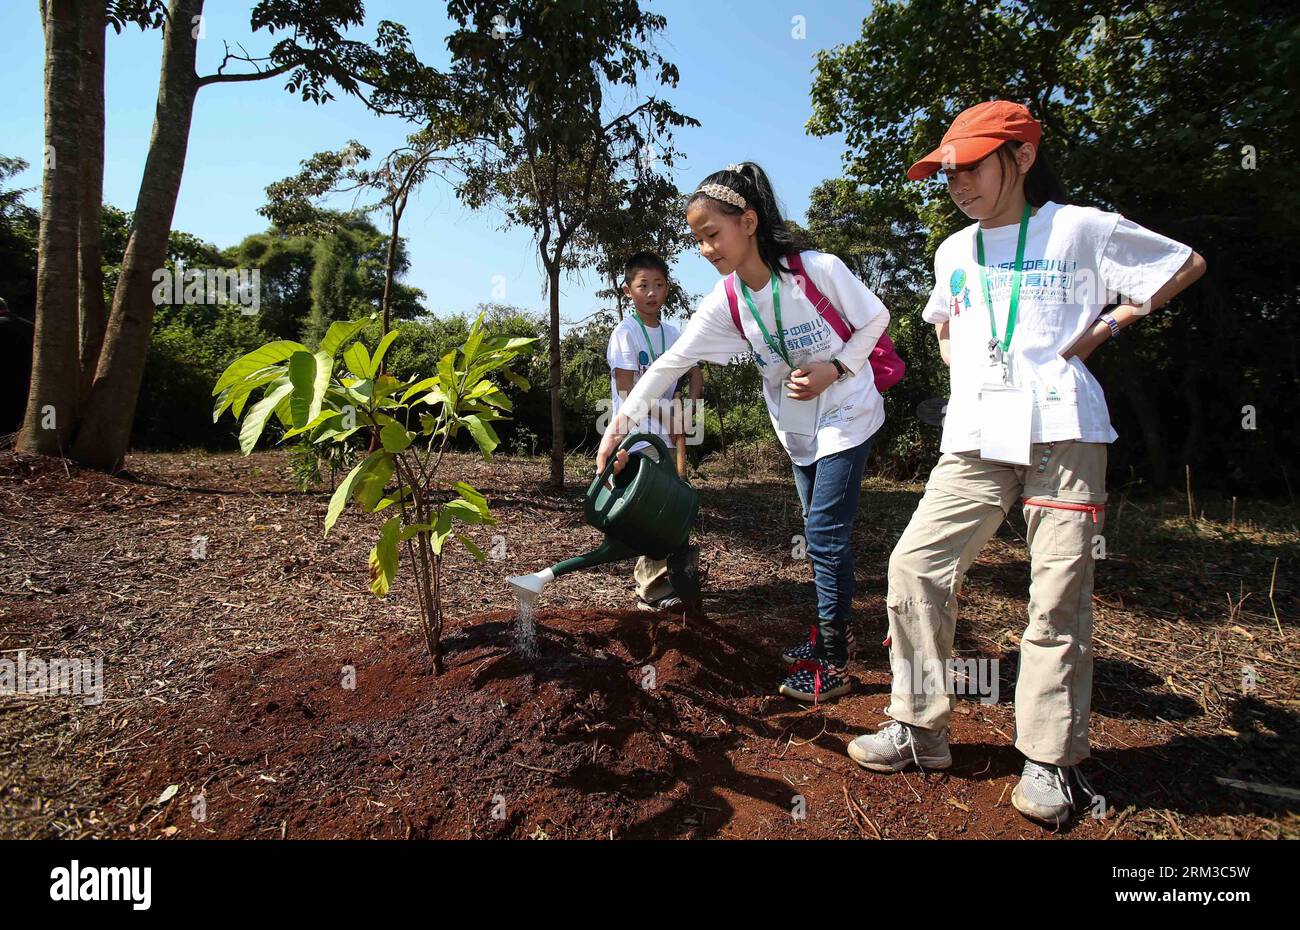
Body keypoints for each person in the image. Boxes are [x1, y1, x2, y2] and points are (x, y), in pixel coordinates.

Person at [846, 100, 1207, 826]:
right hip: (977, 437)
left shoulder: (1078, 227)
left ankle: (1050, 761)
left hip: (1064, 431)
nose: (956, 183)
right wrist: (967, 369)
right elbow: (945, 327)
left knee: (1057, 594)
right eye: (946, 172)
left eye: (971, 166)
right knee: (914, 566)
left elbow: (1184, 263)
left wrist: (1107, 324)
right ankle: (919, 729)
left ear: (1021, 156)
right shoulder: (953, 251)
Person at [596, 162, 892, 704]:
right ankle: (827, 634)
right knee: (819, 531)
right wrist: (618, 425)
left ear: (749, 222)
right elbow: (668, 365)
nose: (706, 249)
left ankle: (834, 659)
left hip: (848, 410)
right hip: (798, 426)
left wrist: (838, 368)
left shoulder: (817, 270)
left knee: (824, 533)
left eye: (713, 235)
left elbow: (876, 318)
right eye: (698, 240)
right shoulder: (728, 301)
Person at [606, 250, 703, 611]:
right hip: (636, 437)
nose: (651, 292)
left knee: (671, 510)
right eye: (642, 285)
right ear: (628, 291)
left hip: (668, 439)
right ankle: (650, 589)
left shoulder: (675, 332)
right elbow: (626, 392)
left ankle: (668, 580)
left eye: (658, 285)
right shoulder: (625, 333)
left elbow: (694, 374)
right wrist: (667, 415)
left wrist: (689, 410)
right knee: (652, 512)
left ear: (667, 289)